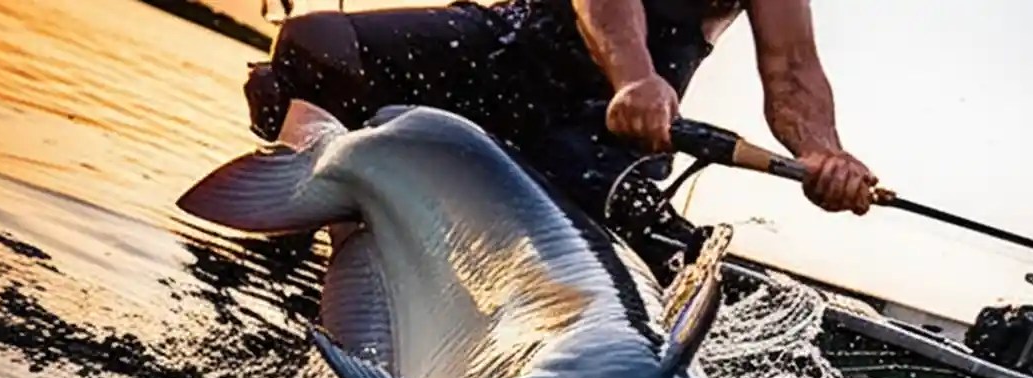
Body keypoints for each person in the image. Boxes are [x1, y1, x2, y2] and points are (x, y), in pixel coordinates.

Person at [244, 0, 877, 236]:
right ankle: (323, 208)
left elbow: (792, 68)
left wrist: (825, 152)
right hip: (509, 54)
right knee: (311, 45)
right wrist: (633, 74)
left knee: (638, 240)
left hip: (608, 129)